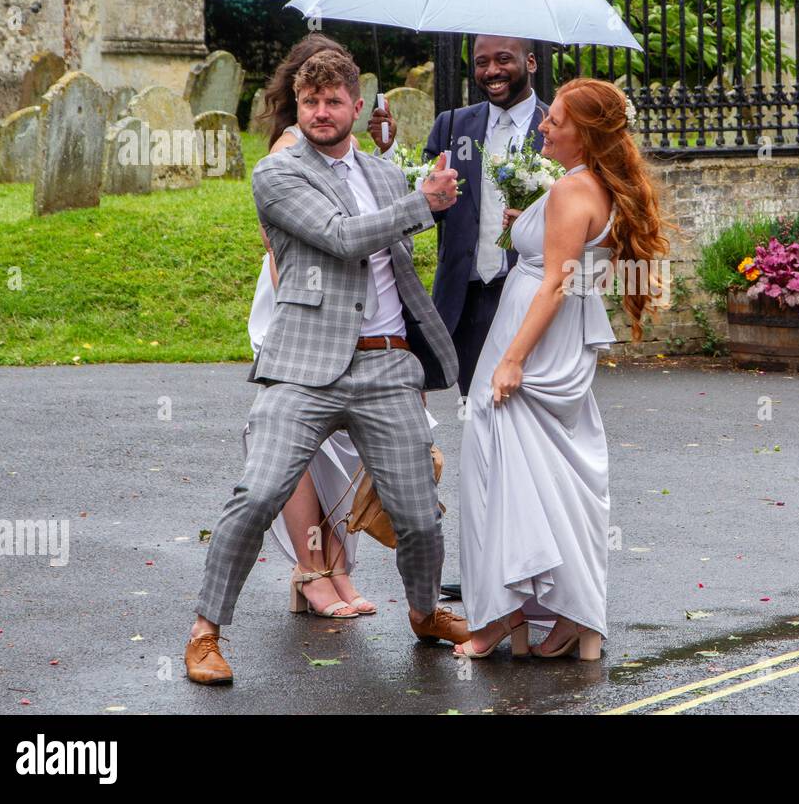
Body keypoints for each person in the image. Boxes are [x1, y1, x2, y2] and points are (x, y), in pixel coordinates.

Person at [185, 49, 466, 685]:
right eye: (309, 102)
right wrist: (421, 201)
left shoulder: (386, 175)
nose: (320, 112)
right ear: (298, 106)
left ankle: (425, 613)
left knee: (419, 513)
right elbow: (341, 236)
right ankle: (204, 634)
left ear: (356, 107)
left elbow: (400, 253)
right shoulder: (276, 174)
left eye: (332, 100)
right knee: (256, 494)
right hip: (304, 366)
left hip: (388, 365)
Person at [453, 78, 669, 661]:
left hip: (535, 335)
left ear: (586, 133)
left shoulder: (574, 192)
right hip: (563, 335)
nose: (543, 125)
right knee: (555, 475)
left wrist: (512, 360)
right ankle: (575, 619)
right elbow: (574, 264)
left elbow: (553, 280)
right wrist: (536, 219)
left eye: (556, 120)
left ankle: (505, 613)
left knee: (497, 462)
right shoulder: (590, 187)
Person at [248, 34, 377, 620]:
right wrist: (287, 317)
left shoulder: (345, 147)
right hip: (298, 309)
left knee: (341, 451)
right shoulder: (288, 148)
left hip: (350, 309)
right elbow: (280, 248)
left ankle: (335, 568)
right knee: (301, 452)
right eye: (316, 91)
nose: (325, 106)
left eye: (338, 90)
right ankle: (313, 570)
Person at [370, 34, 548, 400]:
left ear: (530, 63)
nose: (492, 71)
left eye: (503, 59)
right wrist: (387, 153)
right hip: (465, 298)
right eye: (482, 62)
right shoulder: (452, 125)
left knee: (528, 412)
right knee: (475, 408)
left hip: (530, 295)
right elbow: (418, 205)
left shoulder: (555, 127)